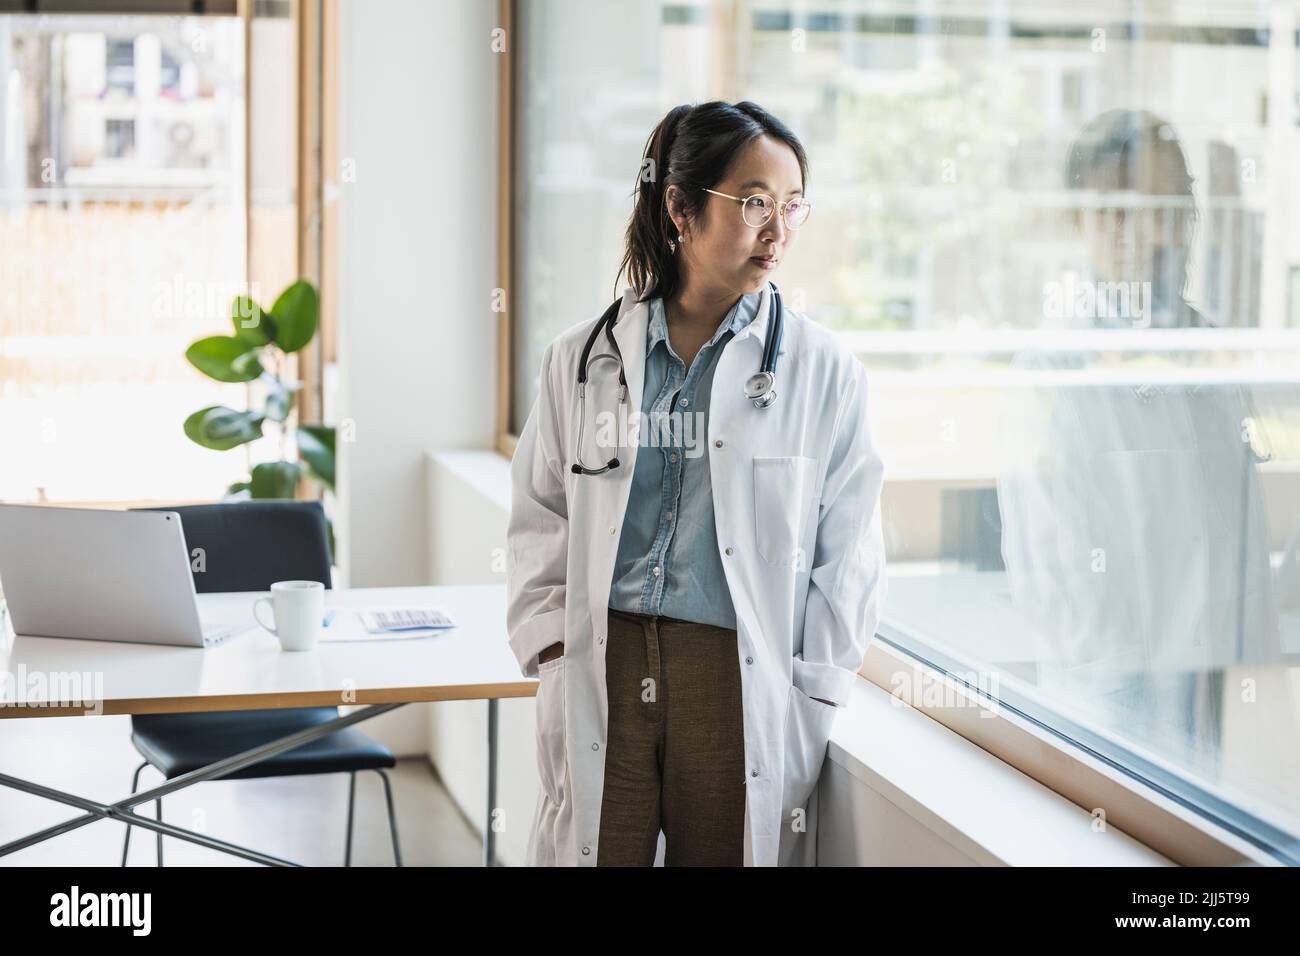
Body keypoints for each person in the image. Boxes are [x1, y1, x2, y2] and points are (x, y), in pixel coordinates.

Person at [506, 100, 887, 866]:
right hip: (603, 662)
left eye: (792, 207)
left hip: (732, 675)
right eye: (753, 204)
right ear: (679, 207)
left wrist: (812, 689)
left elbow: (849, 554)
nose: (777, 231)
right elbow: (539, 517)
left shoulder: (824, 373)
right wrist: (552, 650)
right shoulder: (578, 359)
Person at [997, 109, 1282, 777]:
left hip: (1224, 728)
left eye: (1169, 206)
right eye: (1121, 211)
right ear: (1082, 222)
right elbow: (1065, 595)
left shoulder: (1208, 353)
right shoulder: (1053, 373)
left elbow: (1237, 549)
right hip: (1121, 738)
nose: (1150, 234)